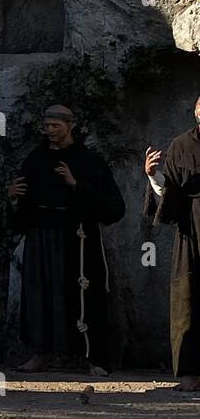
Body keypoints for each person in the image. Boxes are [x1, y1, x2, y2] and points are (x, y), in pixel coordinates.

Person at [7, 105, 124, 375]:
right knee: (39, 295)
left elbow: (114, 206)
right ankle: (40, 354)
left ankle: (91, 357)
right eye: (46, 125)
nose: (49, 131)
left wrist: (76, 185)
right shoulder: (35, 159)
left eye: (55, 125)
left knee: (80, 294)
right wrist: (13, 197)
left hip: (77, 238)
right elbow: (23, 200)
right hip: (41, 236)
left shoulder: (89, 160)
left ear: (70, 125)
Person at [143, 94, 200, 392]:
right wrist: (154, 176)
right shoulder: (182, 145)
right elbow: (172, 192)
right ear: (195, 112)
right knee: (187, 298)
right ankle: (190, 373)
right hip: (192, 231)